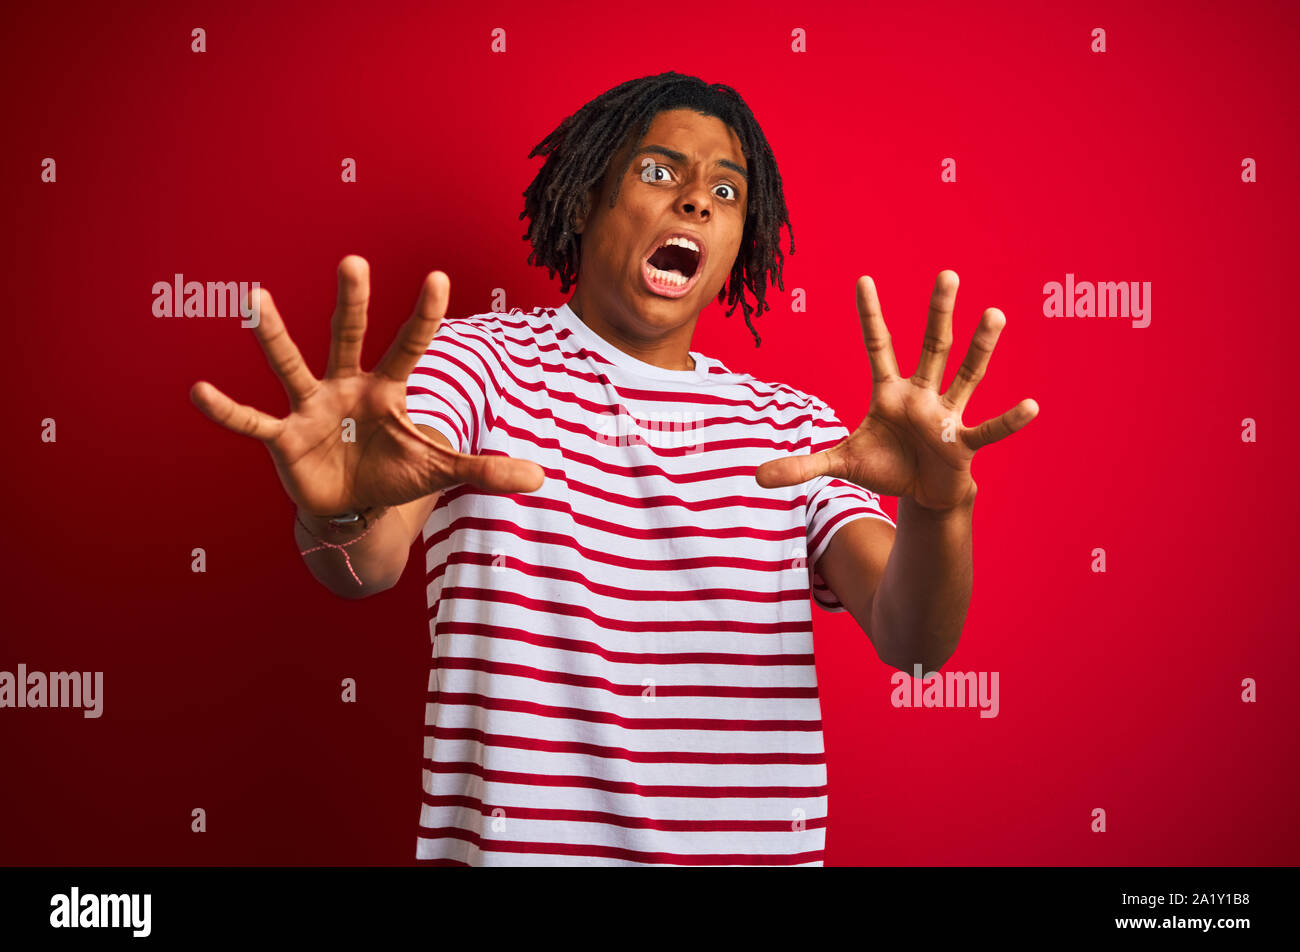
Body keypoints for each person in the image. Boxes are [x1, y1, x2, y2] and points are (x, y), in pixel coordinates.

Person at [189, 72, 1038, 865]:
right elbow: (366, 567)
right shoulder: (478, 365)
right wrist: (338, 510)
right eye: (660, 170)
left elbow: (916, 644)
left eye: (727, 190)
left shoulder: (799, 430)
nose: (698, 199)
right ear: (587, 196)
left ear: (740, 243)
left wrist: (937, 507)